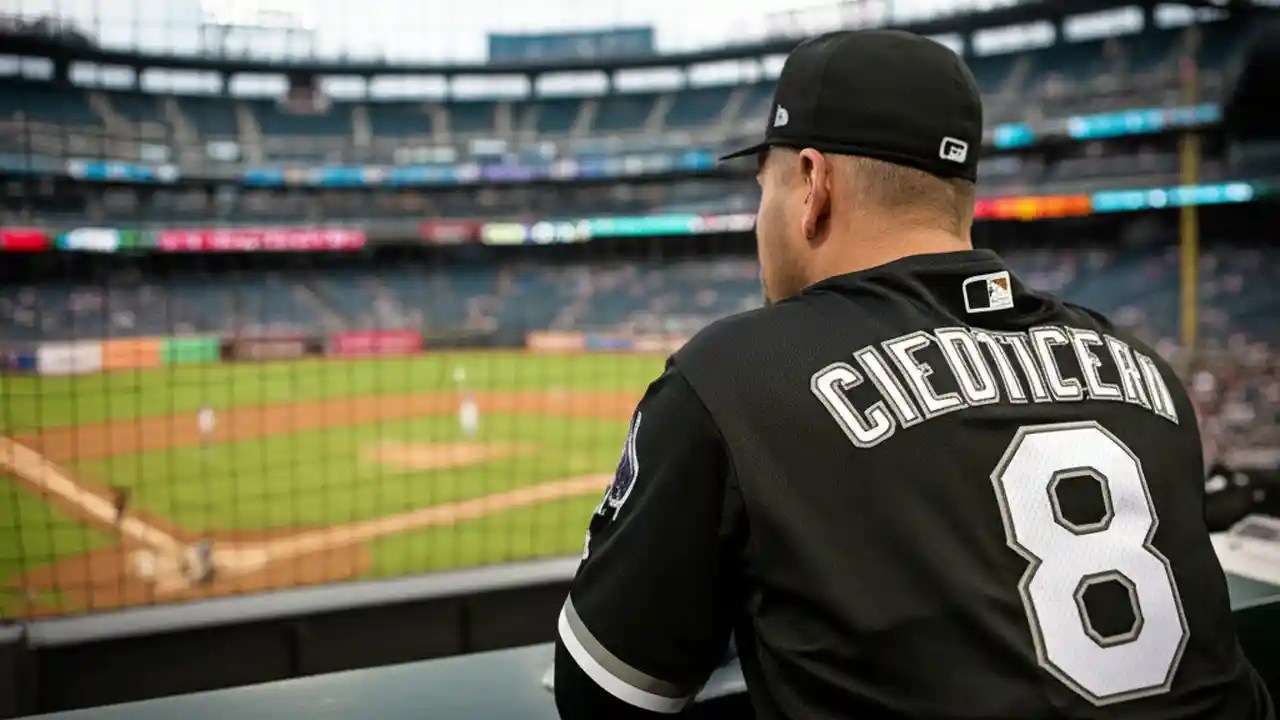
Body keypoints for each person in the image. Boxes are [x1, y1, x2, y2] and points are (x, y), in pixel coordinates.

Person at [554, 30, 1273, 720]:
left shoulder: (734, 378)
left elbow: (606, 695)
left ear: (812, 183)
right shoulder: (1146, 374)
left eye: (763, 186)